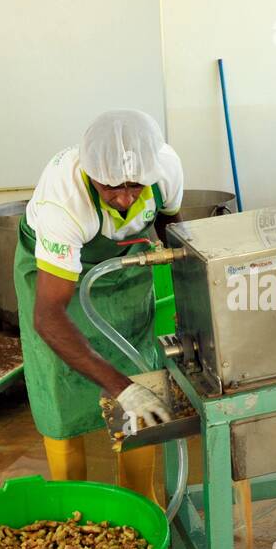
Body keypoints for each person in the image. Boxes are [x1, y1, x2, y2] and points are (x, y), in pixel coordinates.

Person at [14, 110, 182, 502]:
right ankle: (73, 508)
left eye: (135, 186)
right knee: (60, 382)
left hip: (127, 271)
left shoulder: (166, 168)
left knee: (140, 367)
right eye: (111, 187)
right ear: (90, 174)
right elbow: (48, 317)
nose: (124, 197)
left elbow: (174, 232)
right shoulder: (65, 202)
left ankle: (141, 500)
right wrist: (120, 389)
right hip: (55, 281)